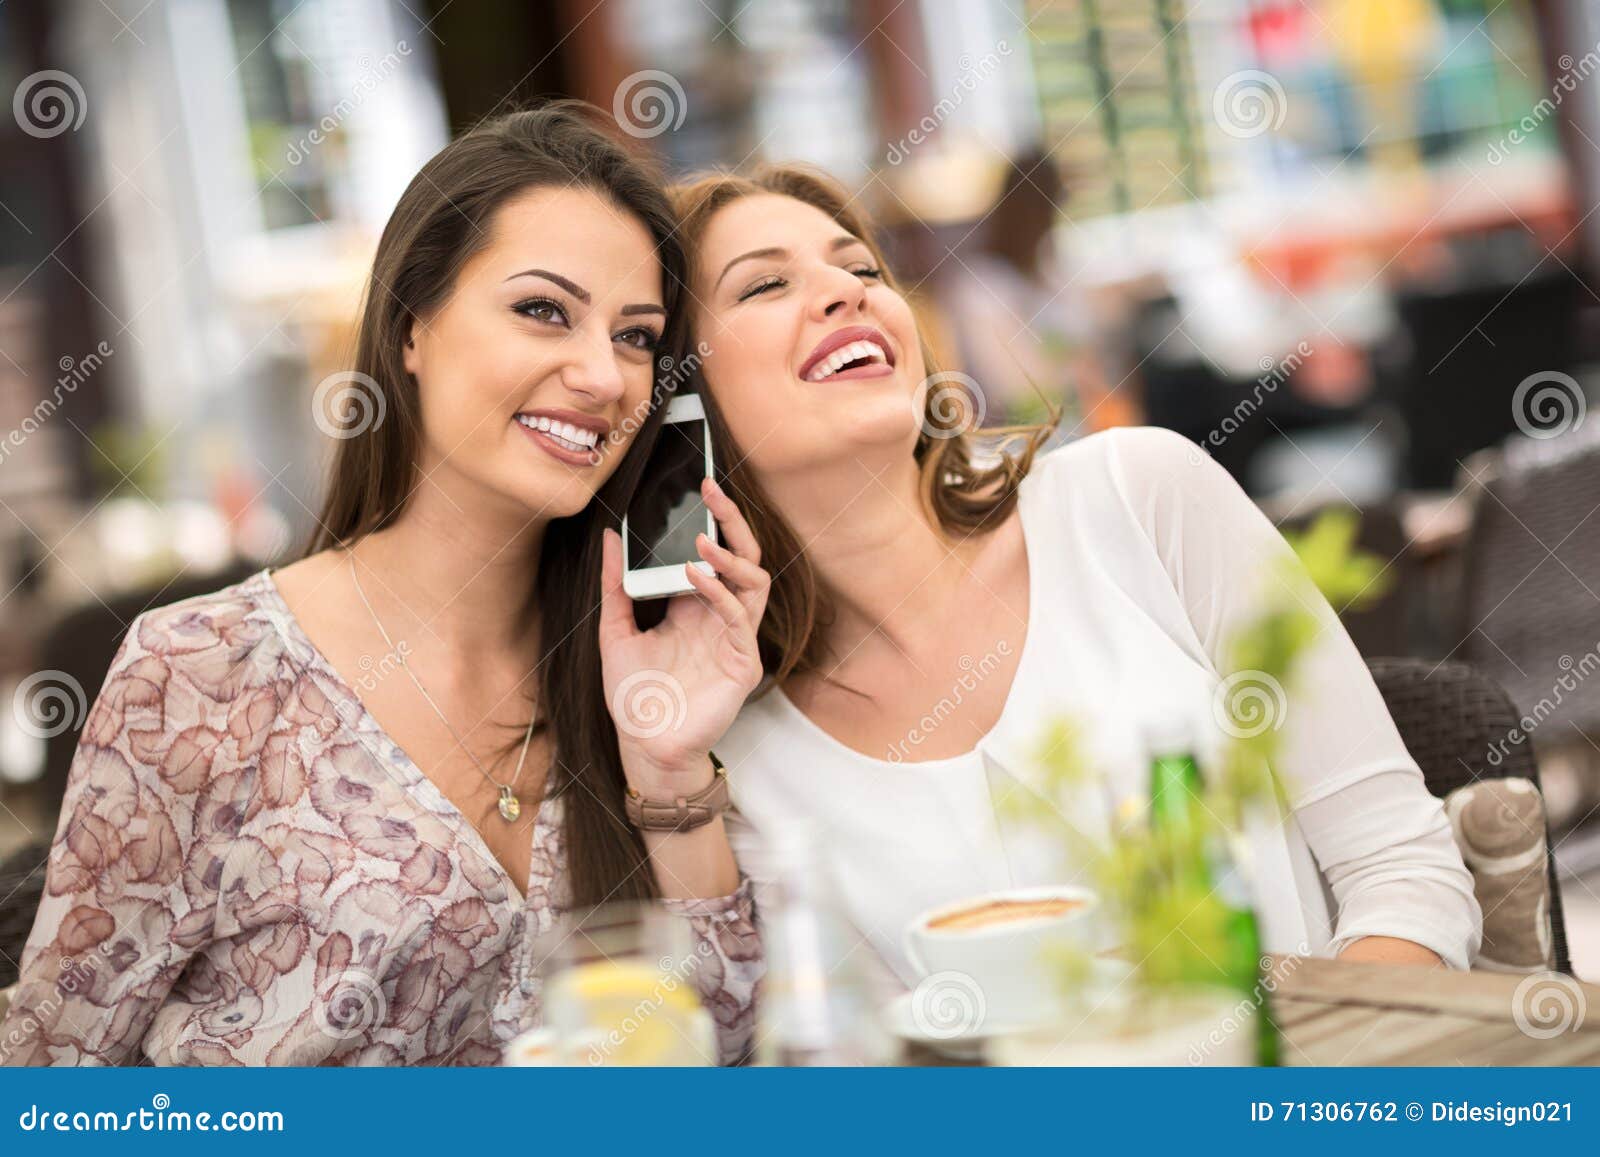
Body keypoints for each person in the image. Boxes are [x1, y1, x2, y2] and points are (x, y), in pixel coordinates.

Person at [0, 104, 769, 1066]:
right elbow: (47, 1093)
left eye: (636, 336)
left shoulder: (632, 675)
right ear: (413, 325)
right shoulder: (199, 674)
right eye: (543, 310)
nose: (600, 374)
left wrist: (668, 768)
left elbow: (729, 1055)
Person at [667, 164, 1482, 991]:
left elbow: (1403, 870)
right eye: (765, 283)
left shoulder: (1140, 496)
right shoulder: (733, 742)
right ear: (676, 399)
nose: (847, 292)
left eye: (863, 268)